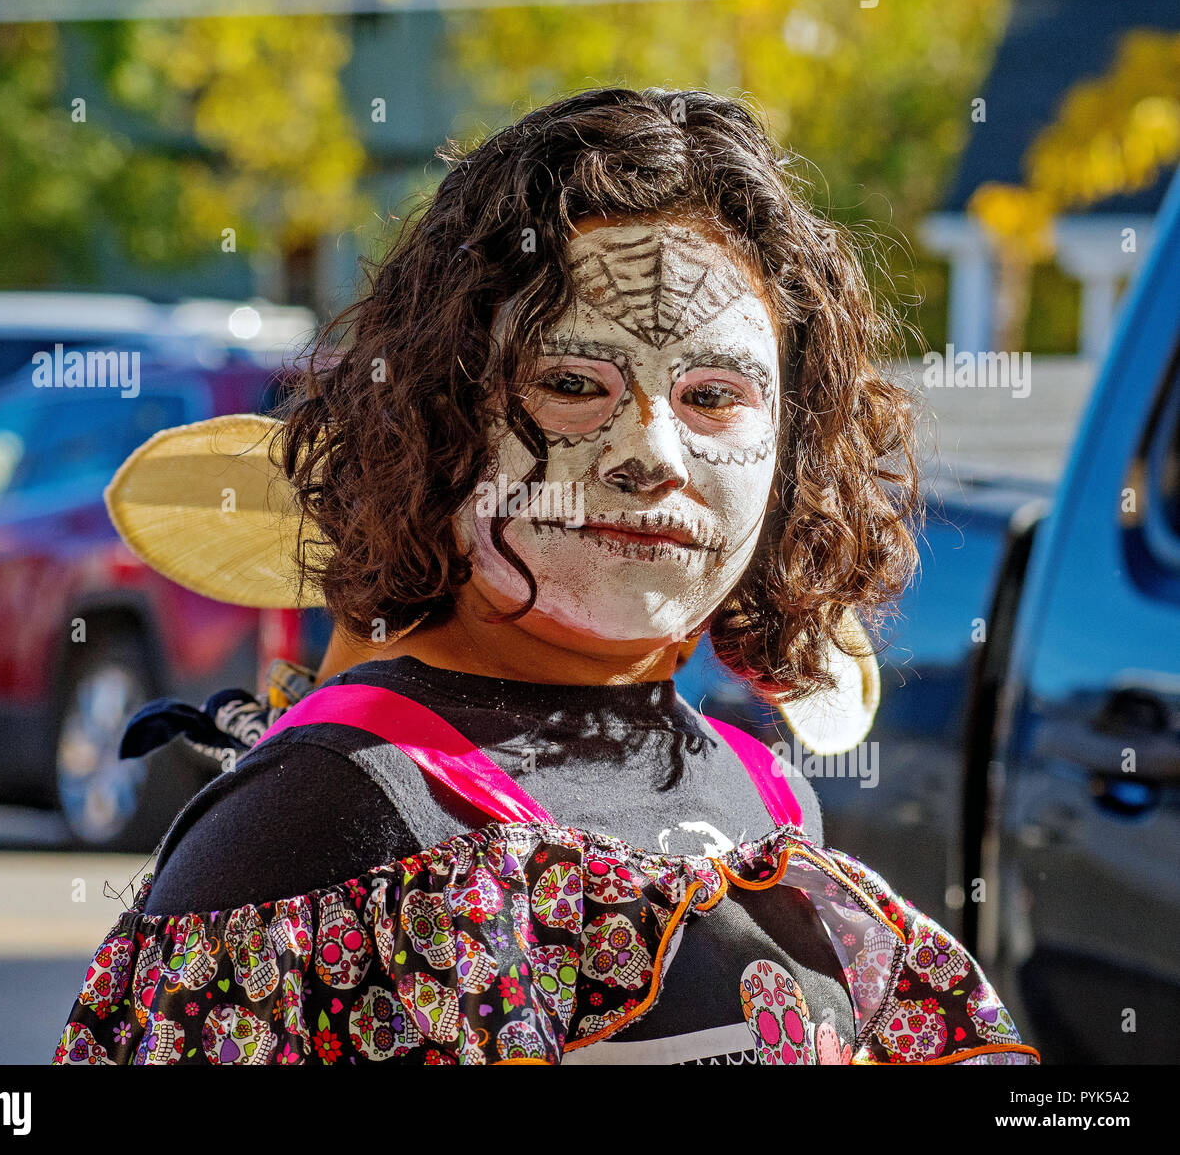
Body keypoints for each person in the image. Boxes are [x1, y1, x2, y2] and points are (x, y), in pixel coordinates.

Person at [54, 87, 1039, 1066]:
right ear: (439, 417)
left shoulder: (764, 797)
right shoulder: (329, 807)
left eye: (711, 396)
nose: (650, 453)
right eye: (573, 385)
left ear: (791, 448)